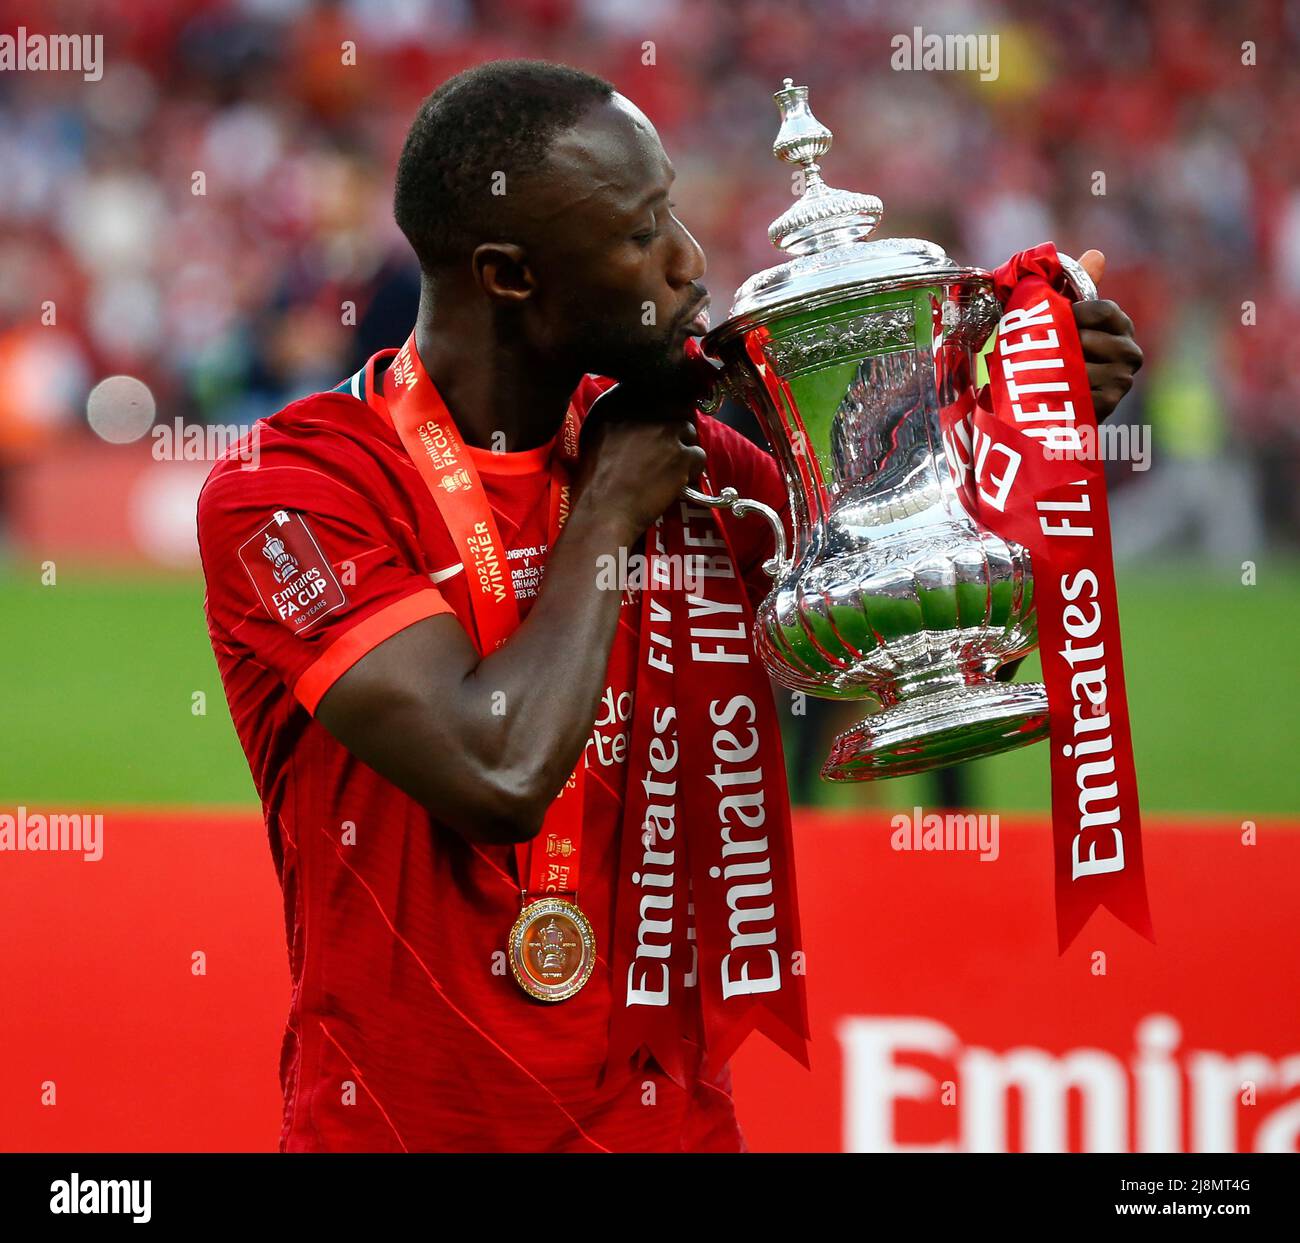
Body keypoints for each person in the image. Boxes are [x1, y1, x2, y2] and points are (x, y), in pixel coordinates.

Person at [196, 59, 1143, 1153]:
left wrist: (1018, 417)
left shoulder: (689, 457)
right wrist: (603, 515)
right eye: (641, 233)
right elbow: (493, 772)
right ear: (509, 274)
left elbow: (901, 587)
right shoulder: (297, 488)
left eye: (673, 208)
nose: (690, 260)